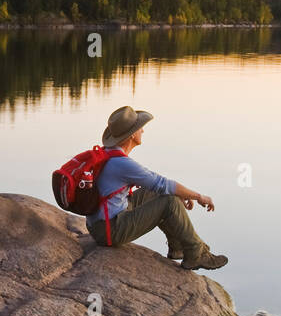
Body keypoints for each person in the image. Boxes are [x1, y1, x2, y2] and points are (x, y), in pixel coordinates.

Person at [87, 105, 228, 270]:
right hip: (110, 231)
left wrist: (180, 194)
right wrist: (199, 197)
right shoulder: (121, 163)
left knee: (161, 193)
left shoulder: (109, 154)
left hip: (100, 224)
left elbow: (158, 186)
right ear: (132, 134)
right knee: (169, 202)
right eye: (141, 128)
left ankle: (178, 248)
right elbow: (163, 184)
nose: (143, 131)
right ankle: (197, 254)